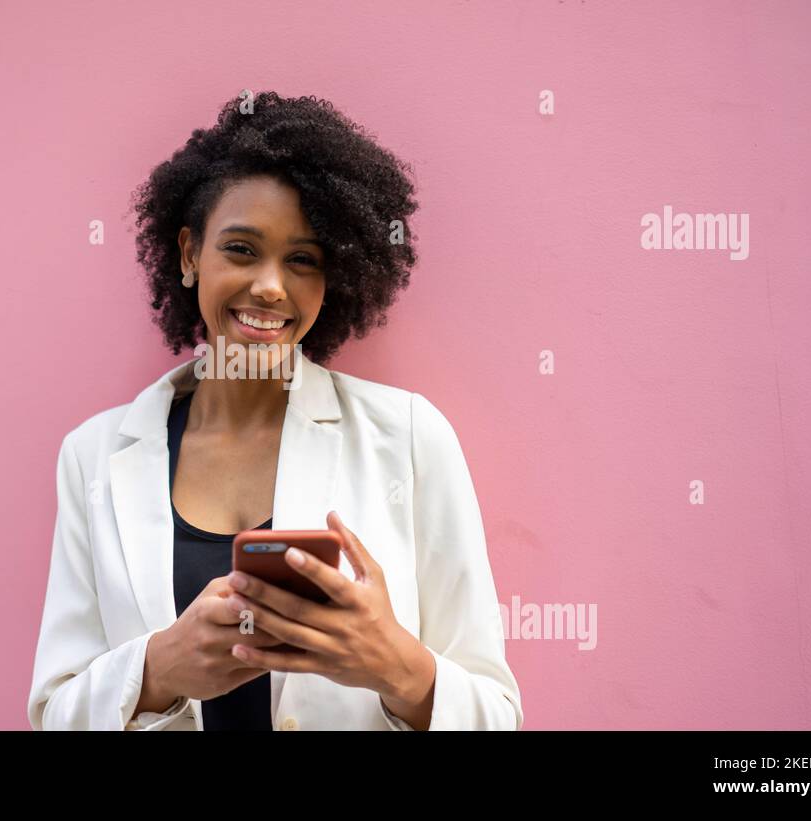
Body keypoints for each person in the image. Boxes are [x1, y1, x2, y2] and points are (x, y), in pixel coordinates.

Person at [27, 91, 522, 731]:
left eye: (302, 260)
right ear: (187, 255)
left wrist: (392, 664)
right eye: (240, 249)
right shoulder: (92, 456)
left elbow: (497, 717)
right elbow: (54, 712)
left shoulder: (409, 436)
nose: (270, 285)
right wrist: (159, 670)